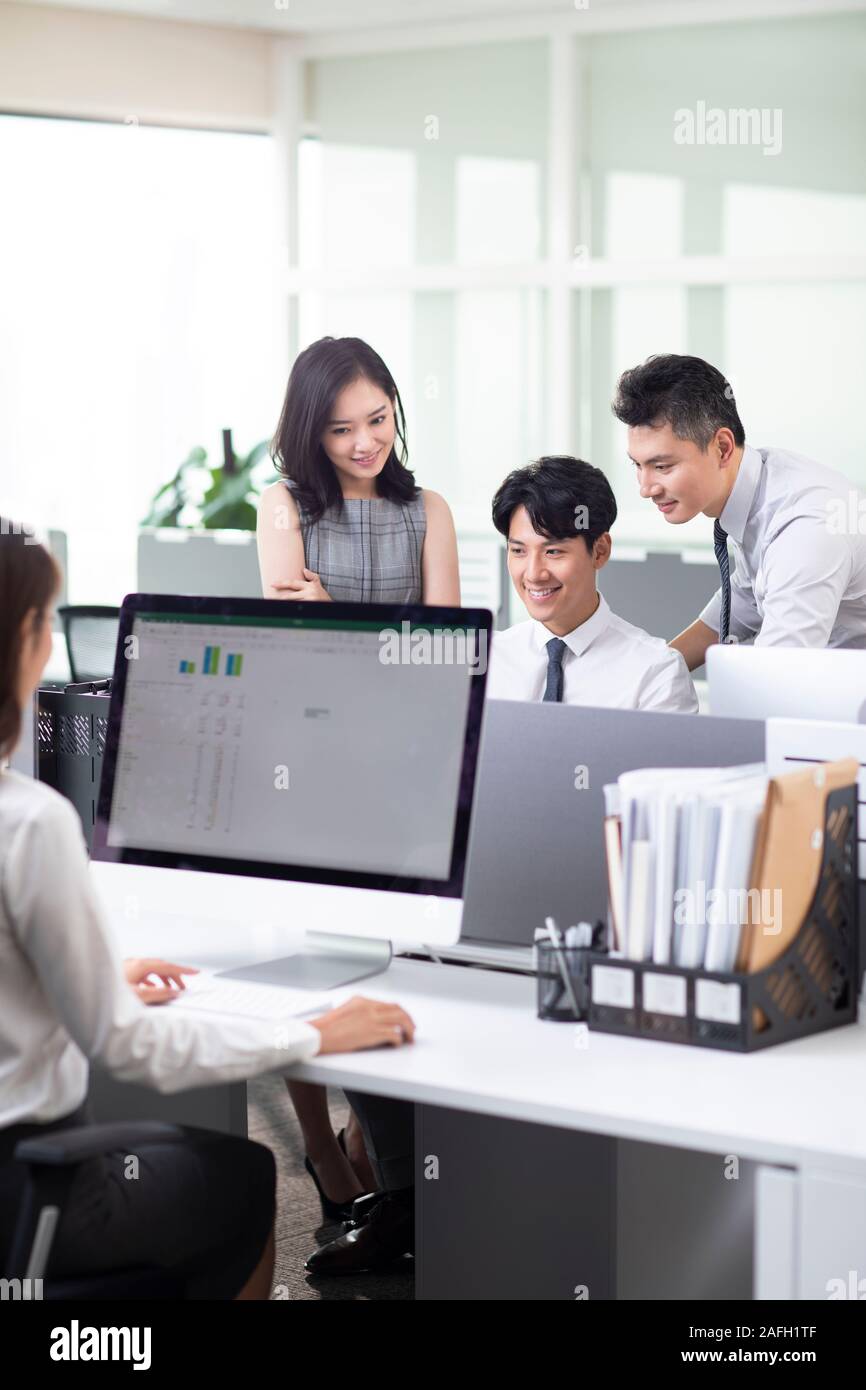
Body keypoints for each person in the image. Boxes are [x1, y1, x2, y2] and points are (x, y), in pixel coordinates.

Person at [0, 523, 415, 1299]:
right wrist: (311, 1033)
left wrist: (99, 978)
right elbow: (129, 1053)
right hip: (33, 1188)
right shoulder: (29, 820)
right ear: (20, 642)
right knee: (246, 1175)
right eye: (41, 624)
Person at [257, 335, 459, 1239]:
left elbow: (453, 655)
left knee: (391, 957)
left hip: (408, 761)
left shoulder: (431, 510)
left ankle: (378, 1136)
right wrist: (386, 638)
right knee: (298, 962)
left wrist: (344, 622)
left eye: (376, 421)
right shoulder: (283, 506)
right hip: (309, 758)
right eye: (341, 430)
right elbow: (297, 658)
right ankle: (322, 1147)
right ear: (311, 431)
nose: (364, 443)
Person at [612, 353, 866, 670]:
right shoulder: (759, 484)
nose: (646, 487)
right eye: (638, 465)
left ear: (722, 447)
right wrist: (645, 674)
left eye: (662, 466)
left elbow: (777, 676)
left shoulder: (804, 528)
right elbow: (740, 604)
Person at [486, 456, 698, 712]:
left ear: (599, 551)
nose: (533, 574)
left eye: (553, 552)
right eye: (518, 551)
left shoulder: (655, 673)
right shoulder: (487, 661)